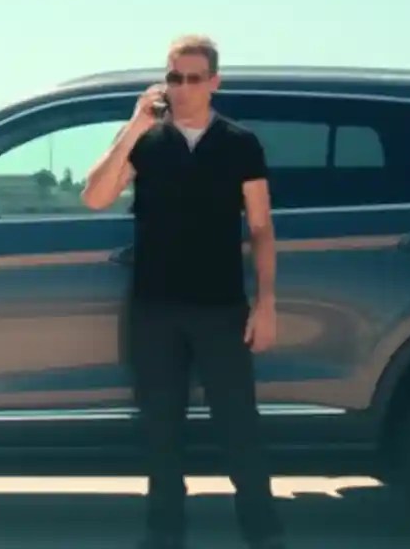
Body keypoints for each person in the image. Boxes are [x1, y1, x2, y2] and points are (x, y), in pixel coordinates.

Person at [80, 35, 285, 549]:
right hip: (155, 310)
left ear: (214, 82)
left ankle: (263, 535)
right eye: (174, 78)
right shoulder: (147, 141)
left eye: (194, 78)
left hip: (221, 309)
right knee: (161, 434)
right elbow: (95, 197)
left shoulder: (240, 143)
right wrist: (134, 126)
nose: (183, 88)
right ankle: (164, 536)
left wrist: (266, 303)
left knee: (239, 429)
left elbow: (261, 227)